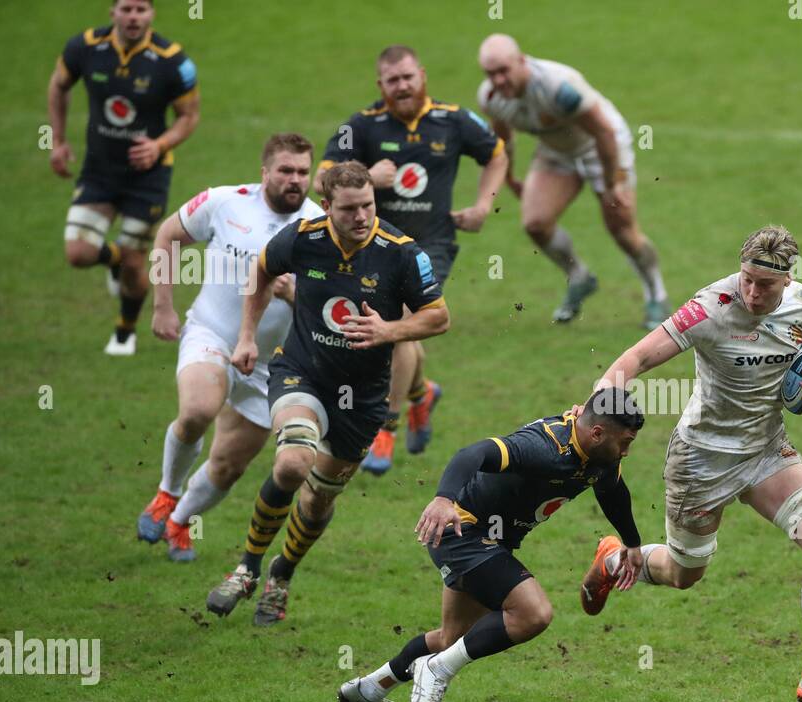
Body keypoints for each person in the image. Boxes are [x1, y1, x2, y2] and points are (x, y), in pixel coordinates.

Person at [580, 225, 802, 702]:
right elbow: (638, 356)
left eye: (765, 285)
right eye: (747, 278)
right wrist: (594, 412)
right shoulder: (710, 307)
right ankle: (614, 559)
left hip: (765, 450)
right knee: (686, 574)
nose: (752, 292)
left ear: (787, 280)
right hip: (701, 460)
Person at [204, 162, 449, 625]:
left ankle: (281, 574)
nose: (362, 217)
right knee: (294, 461)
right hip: (303, 373)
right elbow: (260, 271)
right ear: (328, 205)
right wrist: (247, 336)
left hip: (362, 397)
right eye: (350, 209)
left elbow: (438, 317)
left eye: (368, 206)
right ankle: (246, 567)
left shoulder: (401, 252)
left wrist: (389, 330)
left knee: (318, 501)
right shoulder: (303, 238)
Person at [338, 390, 644, 702]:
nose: (626, 452)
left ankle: (367, 691)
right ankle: (437, 669)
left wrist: (632, 543)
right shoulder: (544, 447)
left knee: (452, 638)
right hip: (462, 531)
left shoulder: (601, 455)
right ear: (597, 433)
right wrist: (443, 498)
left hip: (493, 542)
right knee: (534, 613)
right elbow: (475, 453)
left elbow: (612, 491)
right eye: (624, 443)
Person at [316, 45, 508, 476]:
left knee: (398, 327)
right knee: (406, 332)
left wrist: (482, 205)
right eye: (392, 80)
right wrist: (367, 176)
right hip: (375, 247)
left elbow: (496, 153)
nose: (402, 86)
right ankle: (422, 393)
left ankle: (386, 425)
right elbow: (320, 180)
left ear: (422, 75)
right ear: (380, 86)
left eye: (408, 77)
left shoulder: (453, 119)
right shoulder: (362, 127)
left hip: (431, 245)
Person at [137, 134, 321, 562]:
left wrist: (297, 296)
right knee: (199, 410)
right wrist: (162, 306)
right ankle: (167, 491)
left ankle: (180, 522)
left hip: (271, 365)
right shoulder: (225, 203)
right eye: (286, 171)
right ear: (264, 174)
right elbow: (167, 235)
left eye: (302, 172)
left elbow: (328, 307)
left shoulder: (318, 228)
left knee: (229, 464)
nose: (295, 180)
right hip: (214, 335)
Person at [476, 33, 668, 328]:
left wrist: (613, 182)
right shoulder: (491, 97)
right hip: (556, 151)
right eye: (491, 74)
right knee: (535, 223)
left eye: (504, 70)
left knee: (621, 227)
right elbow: (503, 136)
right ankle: (580, 277)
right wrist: (511, 176)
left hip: (602, 146)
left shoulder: (559, 88)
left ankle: (657, 294)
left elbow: (603, 131)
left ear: (521, 61)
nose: (499, 80)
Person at [48, 0, 200, 355]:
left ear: (152, 14)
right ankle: (114, 260)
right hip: (99, 171)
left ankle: (124, 331)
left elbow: (189, 116)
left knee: (136, 261)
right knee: (79, 253)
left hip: (148, 178)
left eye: (141, 9)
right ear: (112, 11)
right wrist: (57, 141)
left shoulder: (173, 62)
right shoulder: (84, 47)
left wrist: (159, 145)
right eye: (126, 8)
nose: (134, 17)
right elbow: (58, 87)